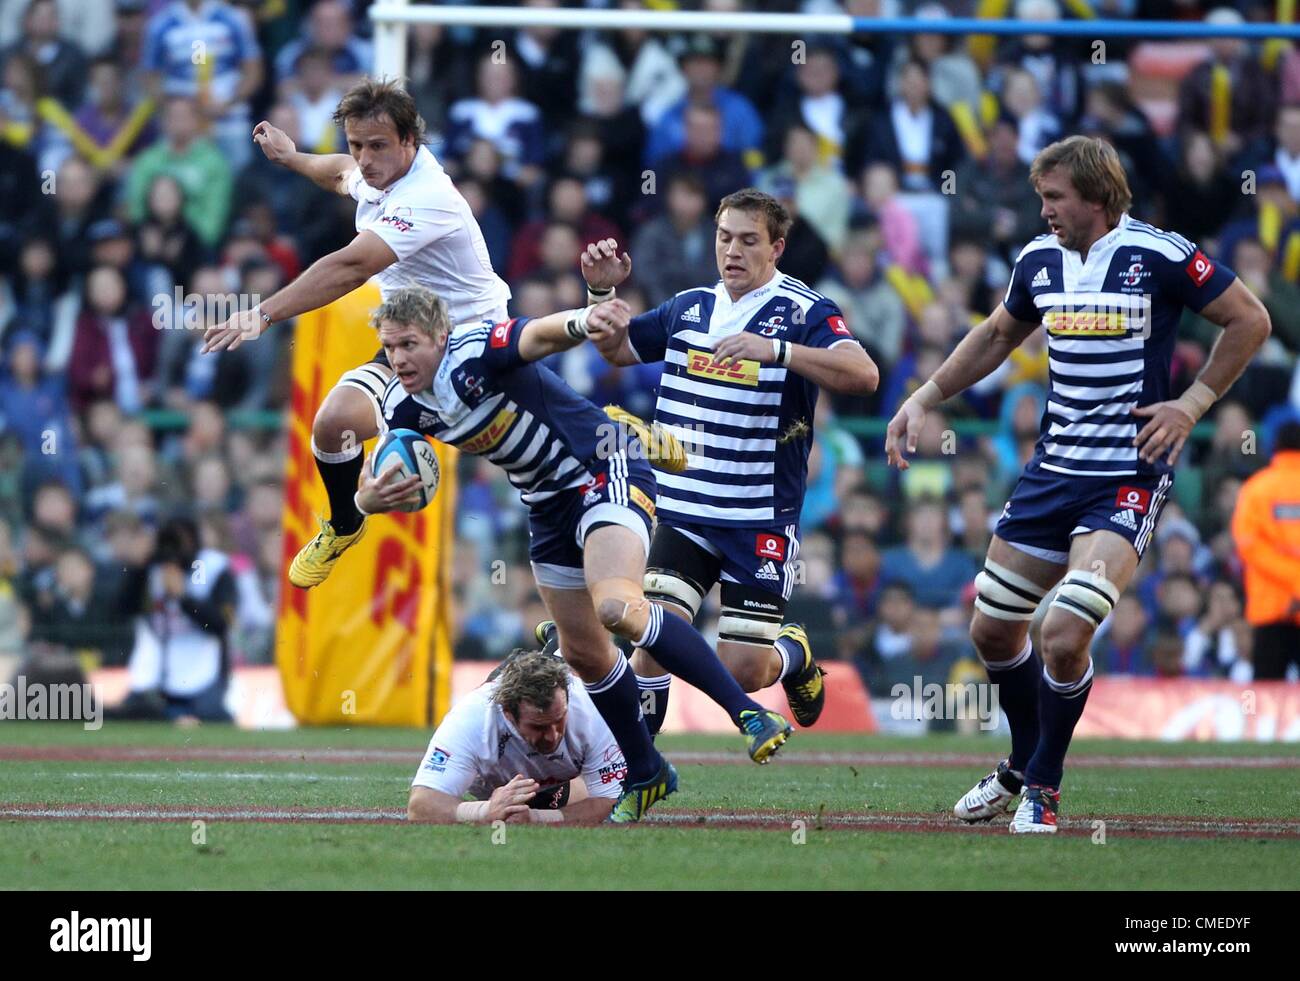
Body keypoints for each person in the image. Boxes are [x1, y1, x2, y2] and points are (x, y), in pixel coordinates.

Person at [885, 136, 1270, 833]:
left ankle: (1043, 785)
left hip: (1125, 474)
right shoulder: (1038, 259)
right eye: (1041, 197)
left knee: (1063, 634)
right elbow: (999, 334)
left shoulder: (1161, 254)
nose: (1044, 210)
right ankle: (1022, 758)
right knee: (993, 630)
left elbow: (1250, 318)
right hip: (1052, 470)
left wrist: (1193, 403)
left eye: (1055, 197)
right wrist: (924, 397)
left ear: (1097, 196)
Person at [357, 284, 793, 823]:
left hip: (602, 468)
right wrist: (365, 498)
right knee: (583, 653)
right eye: (390, 346)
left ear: (440, 338)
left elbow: (535, 335)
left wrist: (585, 318)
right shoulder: (403, 405)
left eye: (410, 344)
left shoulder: (472, 352)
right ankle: (648, 771)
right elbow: (377, 469)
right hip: (547, 505)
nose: (398, 357)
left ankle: (748, 714)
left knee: (616, 607)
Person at [582, 188, 878, 734]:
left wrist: (779, 352)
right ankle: (640, 772)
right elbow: (620, 350)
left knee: (745, 669)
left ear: (777, 248)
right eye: (724, 238)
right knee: (653, 639)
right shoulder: (689, 306)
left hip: (757, 516)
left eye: (748, 240)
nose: (733, 251)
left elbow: (865, 375)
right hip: (683, 508)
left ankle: (794, 656)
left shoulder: (805, 311)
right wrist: (602, 292)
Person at [200, 79, 511, 590]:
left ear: (411, 140)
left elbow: (349, 268)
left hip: (471, 347)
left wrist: (263, 314)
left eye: (377, 145)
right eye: (357, 144)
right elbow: (341, 174)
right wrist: (292, 156)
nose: (364, 158)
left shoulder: (428, 197)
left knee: (522, 454)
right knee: (331, 426)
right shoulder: (376, 172)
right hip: (411, 341)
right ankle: (346, 523)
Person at [408, 649, 624, 825]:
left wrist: (537, 817)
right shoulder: (472, 719)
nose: (552, 736)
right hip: (492, 788)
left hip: (563, 784)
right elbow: (420, 805)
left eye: (559, 720)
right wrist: (485, 810)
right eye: (538, 727)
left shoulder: (592, 709)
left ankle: (557, 646)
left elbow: (609, 799)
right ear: (508, 714)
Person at [1231, 421, 1300, 680]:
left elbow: (1247, 545)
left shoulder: (1256, 489)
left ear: (1275, 448)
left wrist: (1292, 579)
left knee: (1267, 698)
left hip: (1270, 607)